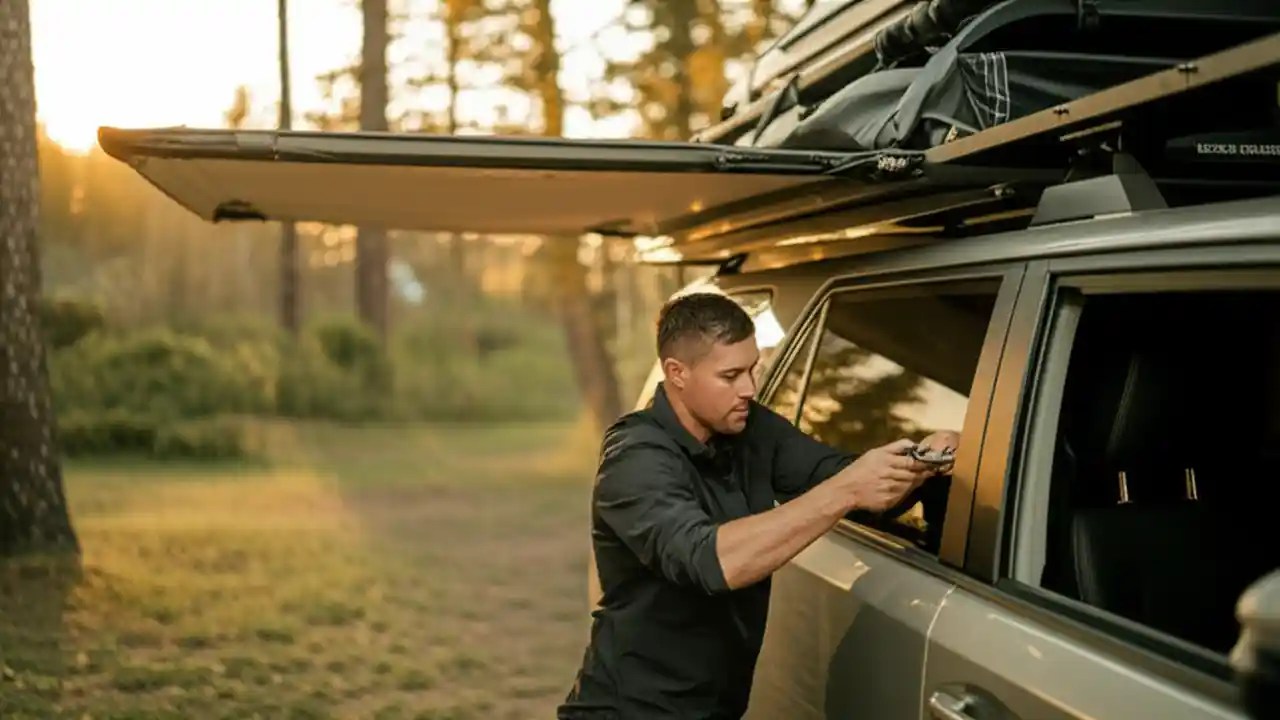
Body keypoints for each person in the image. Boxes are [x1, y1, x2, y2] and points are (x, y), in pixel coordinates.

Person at [557, 292, 959, 720]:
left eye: (753, 369)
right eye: (730, 375)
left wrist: (928, 457)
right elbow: (710, 561)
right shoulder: (634, 457)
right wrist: (847, 488)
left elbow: (846, 478)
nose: (749, 388)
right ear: (677, 373)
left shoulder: (751, 428)